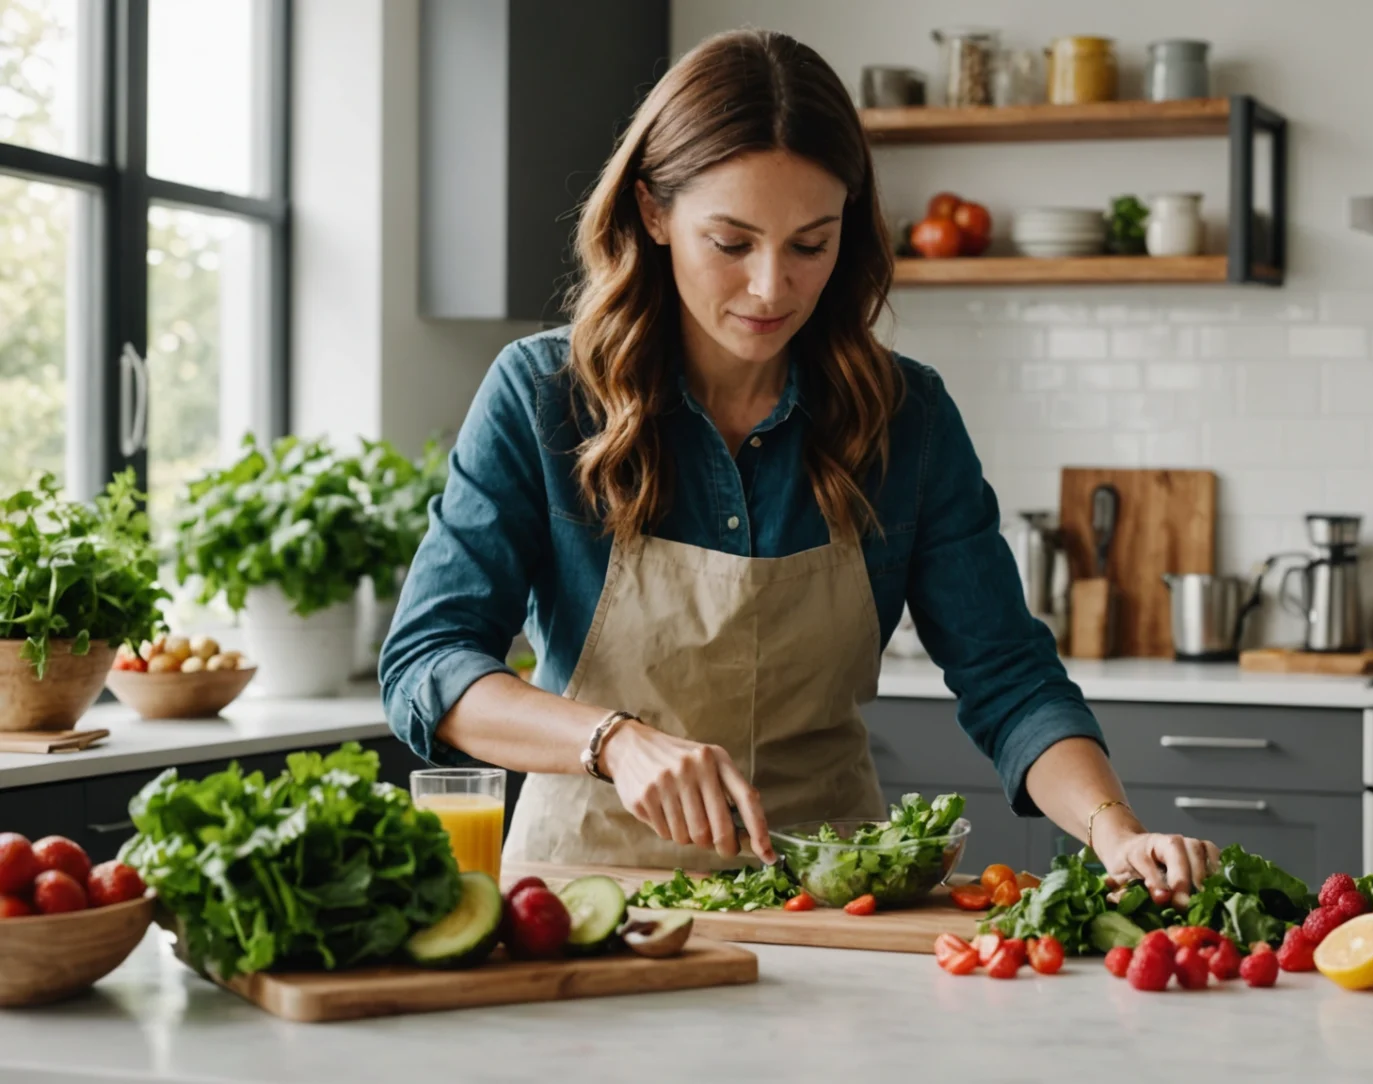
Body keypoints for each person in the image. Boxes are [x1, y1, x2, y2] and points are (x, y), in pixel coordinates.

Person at [379, 29, 1221, 904]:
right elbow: (427, 663)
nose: (772, 288)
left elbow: (1009, 677)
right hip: (585, 897)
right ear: (655, 213)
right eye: (732, 243)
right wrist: (615, 742)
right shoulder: (541, 395)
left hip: (833, 904)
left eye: (810, 245)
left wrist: (1112, 829)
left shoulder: (907, 418)